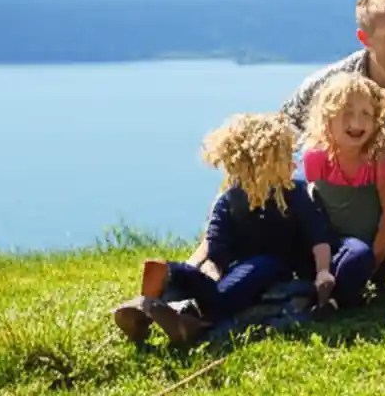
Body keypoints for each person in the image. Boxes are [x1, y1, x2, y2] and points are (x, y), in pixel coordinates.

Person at [189, 0, 385, 313]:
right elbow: (269, 146)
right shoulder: (329, 86)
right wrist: (224, 214)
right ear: (365, 39)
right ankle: (326, 276)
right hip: (347, 225)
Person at [111, 113, 335, 346]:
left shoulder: (290, 193)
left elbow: (317, 236)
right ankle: (165, 302)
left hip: (272, 267)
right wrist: (201, 271)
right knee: (218, 294)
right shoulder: (232, 199)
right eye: (286, 157)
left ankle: (165, 286)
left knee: (225, 290)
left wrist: (323, 271)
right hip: (240, 271)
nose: (294, 164)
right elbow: (214, 247)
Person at [300, 71, 385, 311]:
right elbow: (310, 213)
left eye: (366, 114)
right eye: (346, 114)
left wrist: (374, 262)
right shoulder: (316, 157)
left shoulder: (379, 159)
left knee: (358, 255)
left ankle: (331, 301)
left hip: (365, 249)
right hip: (324, 244)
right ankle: (322, 289)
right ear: (327, 119)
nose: (356, 123)